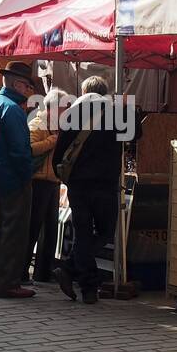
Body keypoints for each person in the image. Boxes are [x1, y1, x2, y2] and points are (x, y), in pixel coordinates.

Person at [53, 75, 124, 305]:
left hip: (78, 185)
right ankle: (83, 281)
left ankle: (77, 275)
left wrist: (65, 176)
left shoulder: (72, 114)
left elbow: (59, 152)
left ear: (83, 92)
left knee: (83, 234)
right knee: (105, 232)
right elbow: (138, 134)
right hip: (106, 185)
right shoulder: (116, 113)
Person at [0, 61, 38, 299]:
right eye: (27, 86)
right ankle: (8, 284)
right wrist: (28, 175)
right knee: (14, 233)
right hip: (15, 180)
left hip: (0, 177)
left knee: (2, 231)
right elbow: (20, 151)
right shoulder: (12, 109)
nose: (28, 91)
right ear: (16, 83)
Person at [23, 88, 66, 286]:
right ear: (52, 108)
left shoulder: (57, 125)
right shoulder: (37, 123)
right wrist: (52, 141)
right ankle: (22, 270)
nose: (66, 112)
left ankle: (43, 272)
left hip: (53, 182)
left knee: (50, 230)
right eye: (64, 108)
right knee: (33, 227)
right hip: (38, 182)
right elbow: (30, 149)